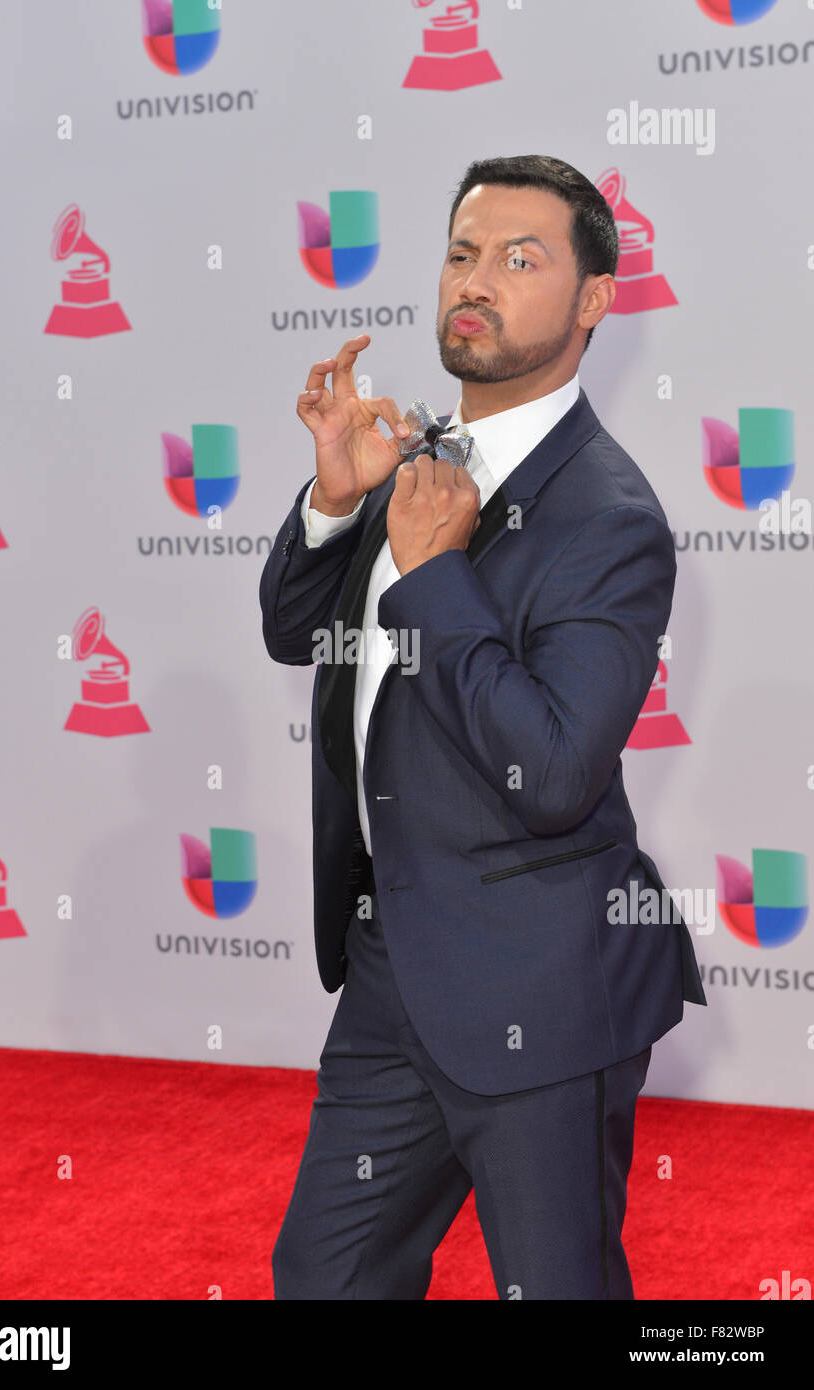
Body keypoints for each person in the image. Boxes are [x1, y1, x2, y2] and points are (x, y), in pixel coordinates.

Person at [259, 154, 706, 1300]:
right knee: (324, 1277)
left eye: (518, 258)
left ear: (594, 299)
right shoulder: (411, 463)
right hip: (389, 969)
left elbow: (550, 770)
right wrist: (337, 501)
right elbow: (294, 633)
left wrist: (435, 573)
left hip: (540, 987)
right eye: (462, 253)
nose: (475, 280)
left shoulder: (609, 518)